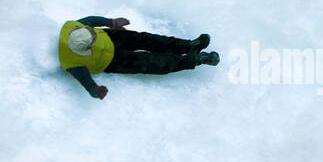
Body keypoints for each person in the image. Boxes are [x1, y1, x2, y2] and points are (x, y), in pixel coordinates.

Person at [59, 15, 219, 99]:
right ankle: (196, 59)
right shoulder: (71, 63)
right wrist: (96, 91)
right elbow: (87, 83)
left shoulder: (71, 26)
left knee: (148, 39)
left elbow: (91, 20)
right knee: (150, 63)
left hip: (110, 37)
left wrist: (111, 22)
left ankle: (189, 45)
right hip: (111, 62)